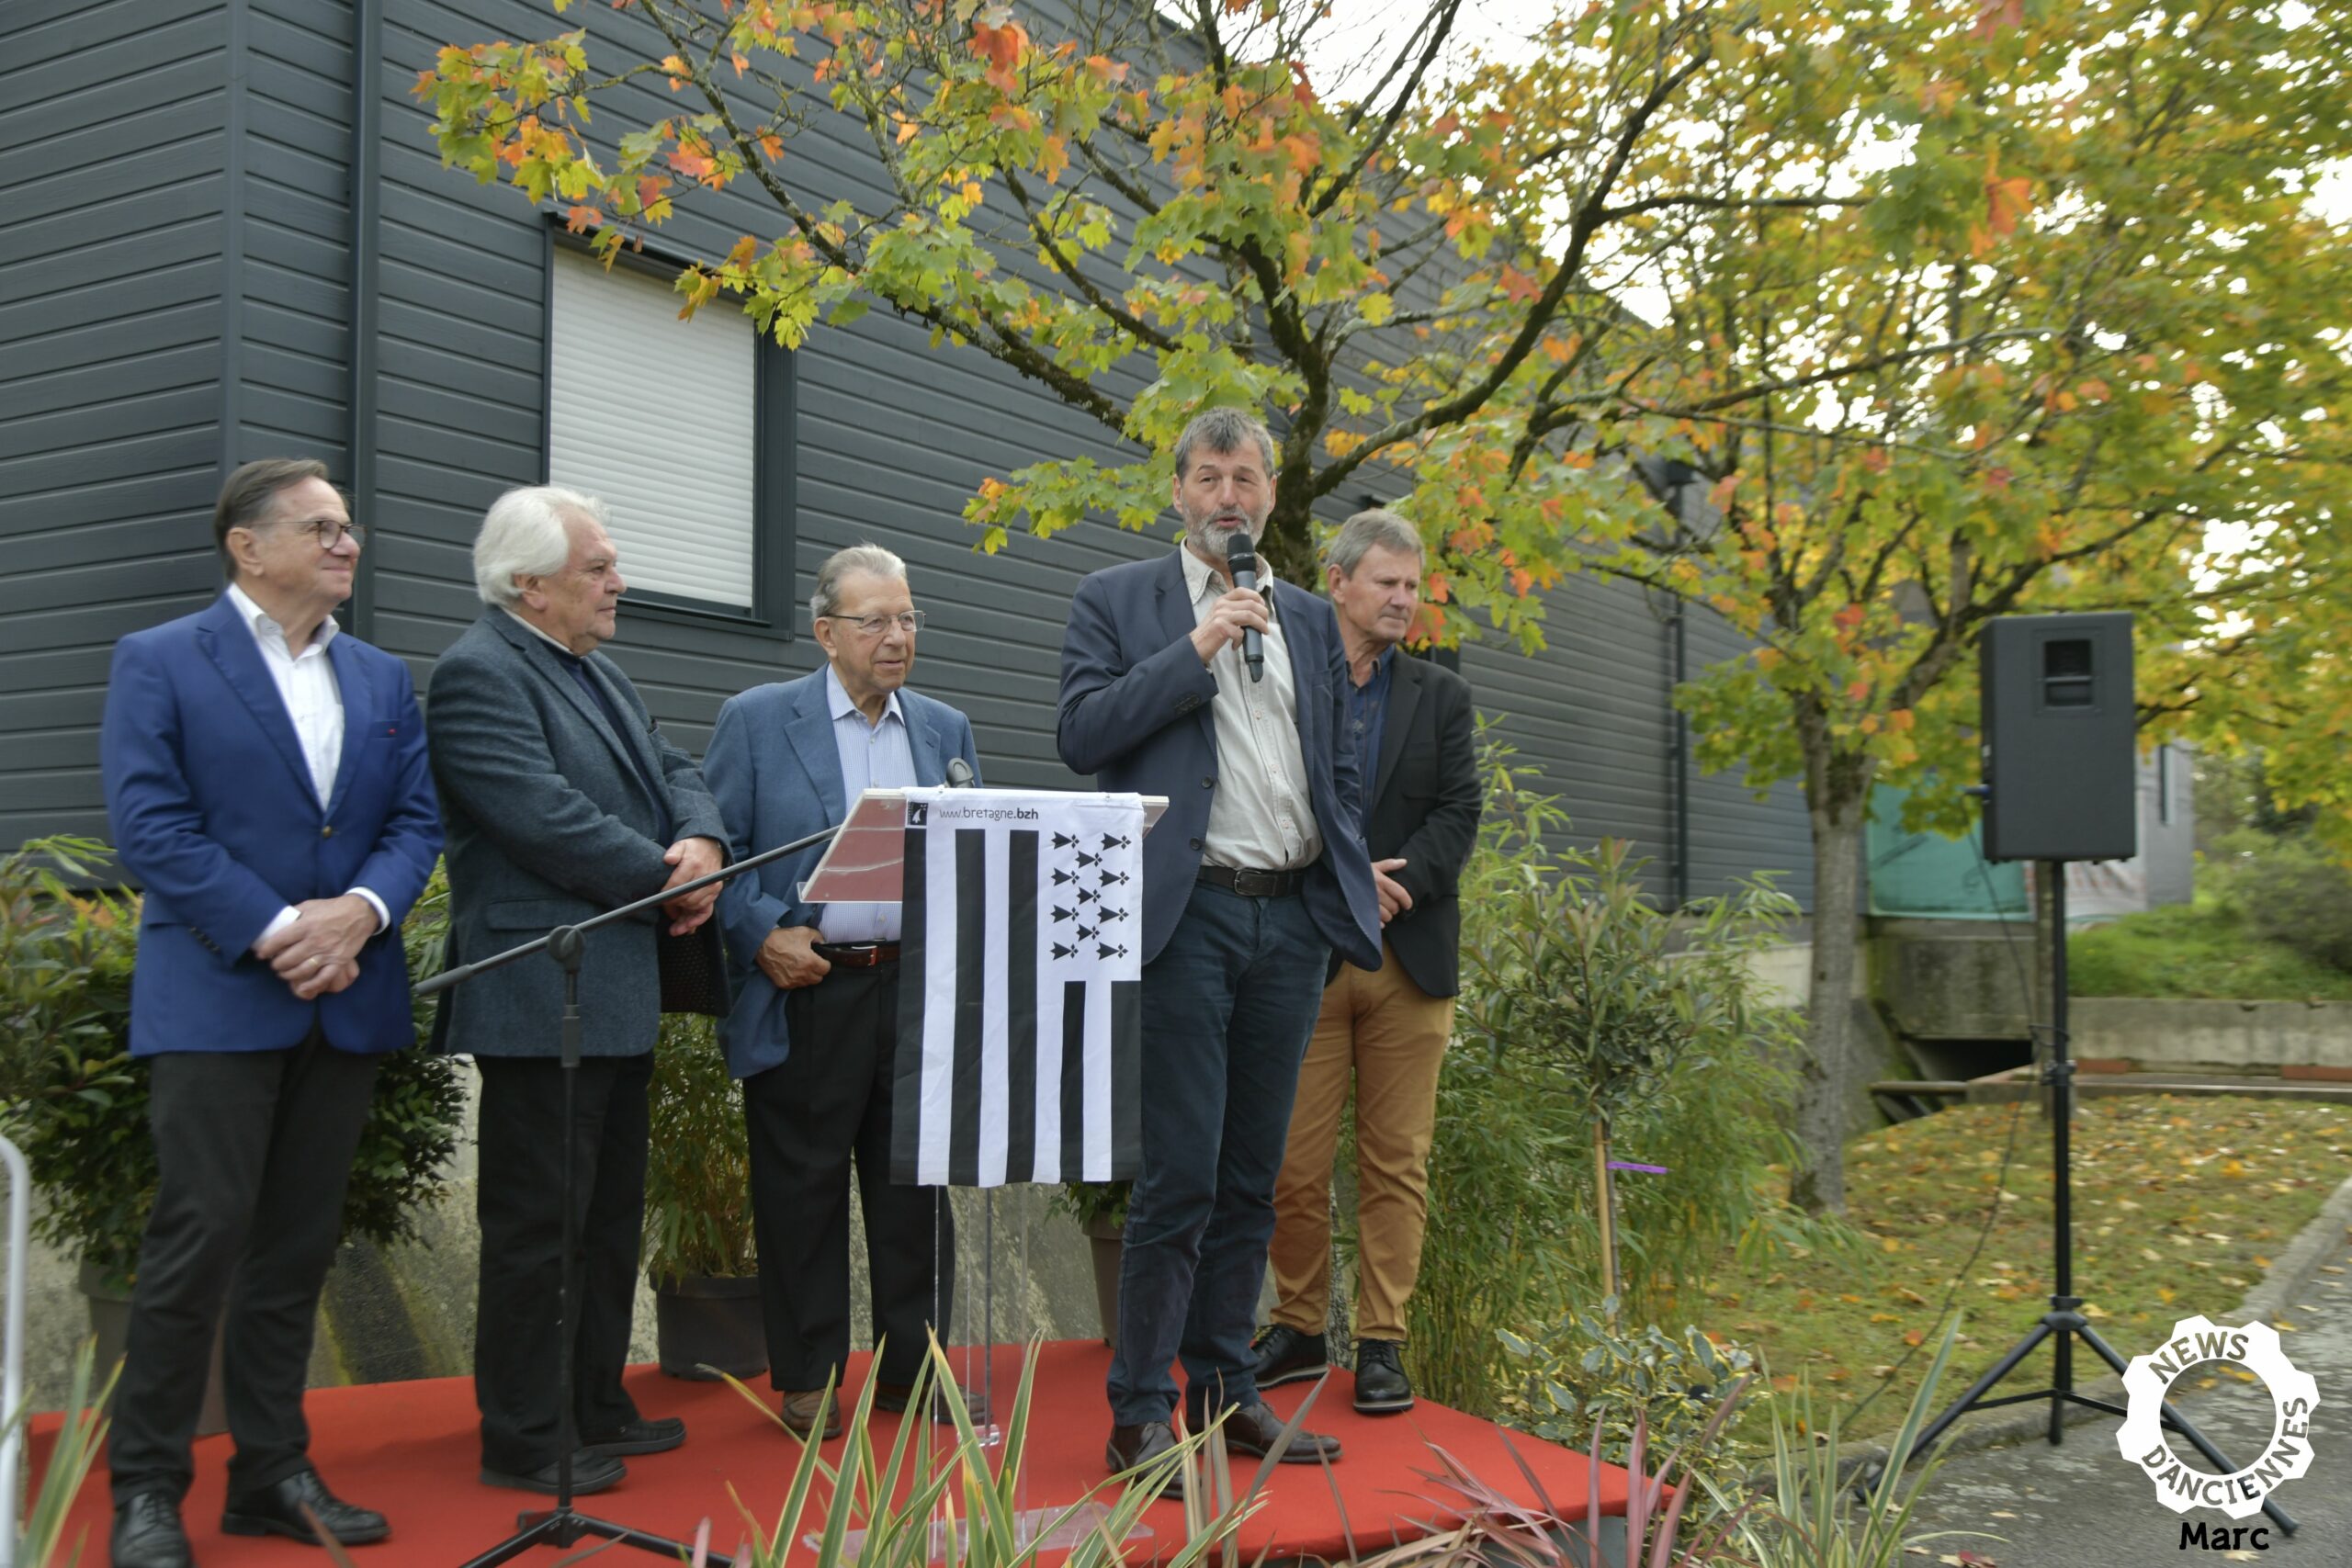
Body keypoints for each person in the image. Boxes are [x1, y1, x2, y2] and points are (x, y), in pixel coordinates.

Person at [98, 459, 442, 1568]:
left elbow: (415, 824)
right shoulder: (160, 660)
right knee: (195, 1245)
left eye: (350, 526)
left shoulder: (385, 680)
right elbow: (151, 827)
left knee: (296, 1252)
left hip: (347, 996)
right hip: (218, 996)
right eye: (322, 527)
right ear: (248, 546)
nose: (348, 543)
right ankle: (147, 1487)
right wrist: (282, 929)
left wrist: (361, 913)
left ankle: (269, 1472)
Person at [1057, 406, 1382, 1485]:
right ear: (1180, 489)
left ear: (1273, 495)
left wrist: (1336, 876)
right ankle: (1138, 1411)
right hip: (1184, 915)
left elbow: (1335, 763)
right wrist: (1197, 646)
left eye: (1246, 477)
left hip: (1287, 920)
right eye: (1208, 476)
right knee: (1180, 1180)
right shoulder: (1119, 601)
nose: (1228, 495)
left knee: (1256, 1178)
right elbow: (1083, 734)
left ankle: (1227, 1391)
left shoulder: (1304, 615)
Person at [426, 486, 728, 1495]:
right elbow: (538, 815)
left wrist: (700, 841)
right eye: (597, 567)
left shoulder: (595, 667)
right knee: (535, 1227)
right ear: (530, 585)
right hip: (538, 993)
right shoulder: (477, 674)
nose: (618, 582)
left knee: (604, 1218)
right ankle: (522, 1430)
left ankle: (595, 1398)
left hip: (619, 984)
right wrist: (664, 877)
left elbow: (676, 764)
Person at [703, 545, 983, 1439]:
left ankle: (915, 1370)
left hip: (912, 990)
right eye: (876, 622)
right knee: (801, 1191)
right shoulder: (756, 721)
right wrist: (759, 935)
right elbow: (716, 860)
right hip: (809, 985)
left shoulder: (944, 727)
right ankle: (811, 1379)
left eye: (907, 619)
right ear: (826, 634)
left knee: (915, 1193)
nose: (897, 637)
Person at [1251, 509, 1482, 1415]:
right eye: (1385, 582)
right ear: (1337, 583)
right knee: (1288, 1164)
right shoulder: (1279, 683)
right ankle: (1300, 1326)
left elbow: (1458, 814)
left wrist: (1397, 883)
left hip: (1407, 960)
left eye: (1412, 585)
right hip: (1302, 953)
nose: (1402, 599)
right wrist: (1335, 883)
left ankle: (1382, 1343)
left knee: (1396, 1161)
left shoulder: (1441, 693)